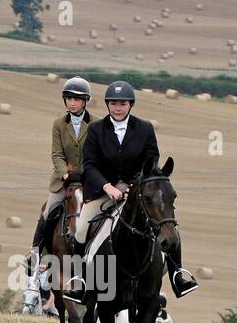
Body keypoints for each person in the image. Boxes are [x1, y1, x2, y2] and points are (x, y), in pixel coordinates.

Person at [68, 80, 197, 299]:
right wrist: (107, 186)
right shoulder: (96, 130)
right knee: (80, 228)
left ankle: (178, 275)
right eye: (114, 103)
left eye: (123, 103)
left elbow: (152, 161)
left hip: (137, 193)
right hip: (103, 192)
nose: (118, 108)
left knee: (169, 226)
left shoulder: (145, 128)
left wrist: (132, 185)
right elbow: (89, 164)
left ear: (130, 105)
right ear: (108, 105)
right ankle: (80, 280)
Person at [30, 76, 91, 271]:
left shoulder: (97, 124)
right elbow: (56, 154)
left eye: (76, 99)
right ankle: (36, 254)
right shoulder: (58, 124)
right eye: (69, 99)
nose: (72, 103)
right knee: (48, 212)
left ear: (85, 101)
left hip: (88, 180)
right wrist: (65, 174)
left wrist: (83, 174)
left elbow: (96, 154)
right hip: (62, 181)